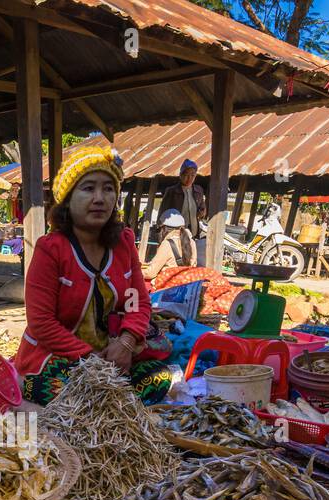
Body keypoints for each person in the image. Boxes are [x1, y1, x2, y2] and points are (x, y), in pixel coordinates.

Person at [14, 144, 172, 405]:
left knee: (157, 378)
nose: (99, 198)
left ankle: (110, 400)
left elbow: (136, 302)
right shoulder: (51, 249)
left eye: (108, 189)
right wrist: (89, 359)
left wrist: (126, 342)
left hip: (113, 356)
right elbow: (42, 322)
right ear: (68, 199)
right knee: (68, 391)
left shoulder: (124, 243)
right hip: (61, 358)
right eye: (88, 188)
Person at [143, 208, 196, 281]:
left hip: (169, 286)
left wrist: (137, 273)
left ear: (164, 228)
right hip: (186, 283)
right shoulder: (191, 242)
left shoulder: (167, 244)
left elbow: (151, 273)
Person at [159, 159, 207, 236]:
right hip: (176, 232)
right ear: (181, 175)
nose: (189, 178)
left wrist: (202, 213)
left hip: (193, 232)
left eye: (192, 175)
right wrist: (161, 231)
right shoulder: (172, 191)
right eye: (186, 175)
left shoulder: (199, 191)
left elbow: (202, 208)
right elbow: (163, 213)